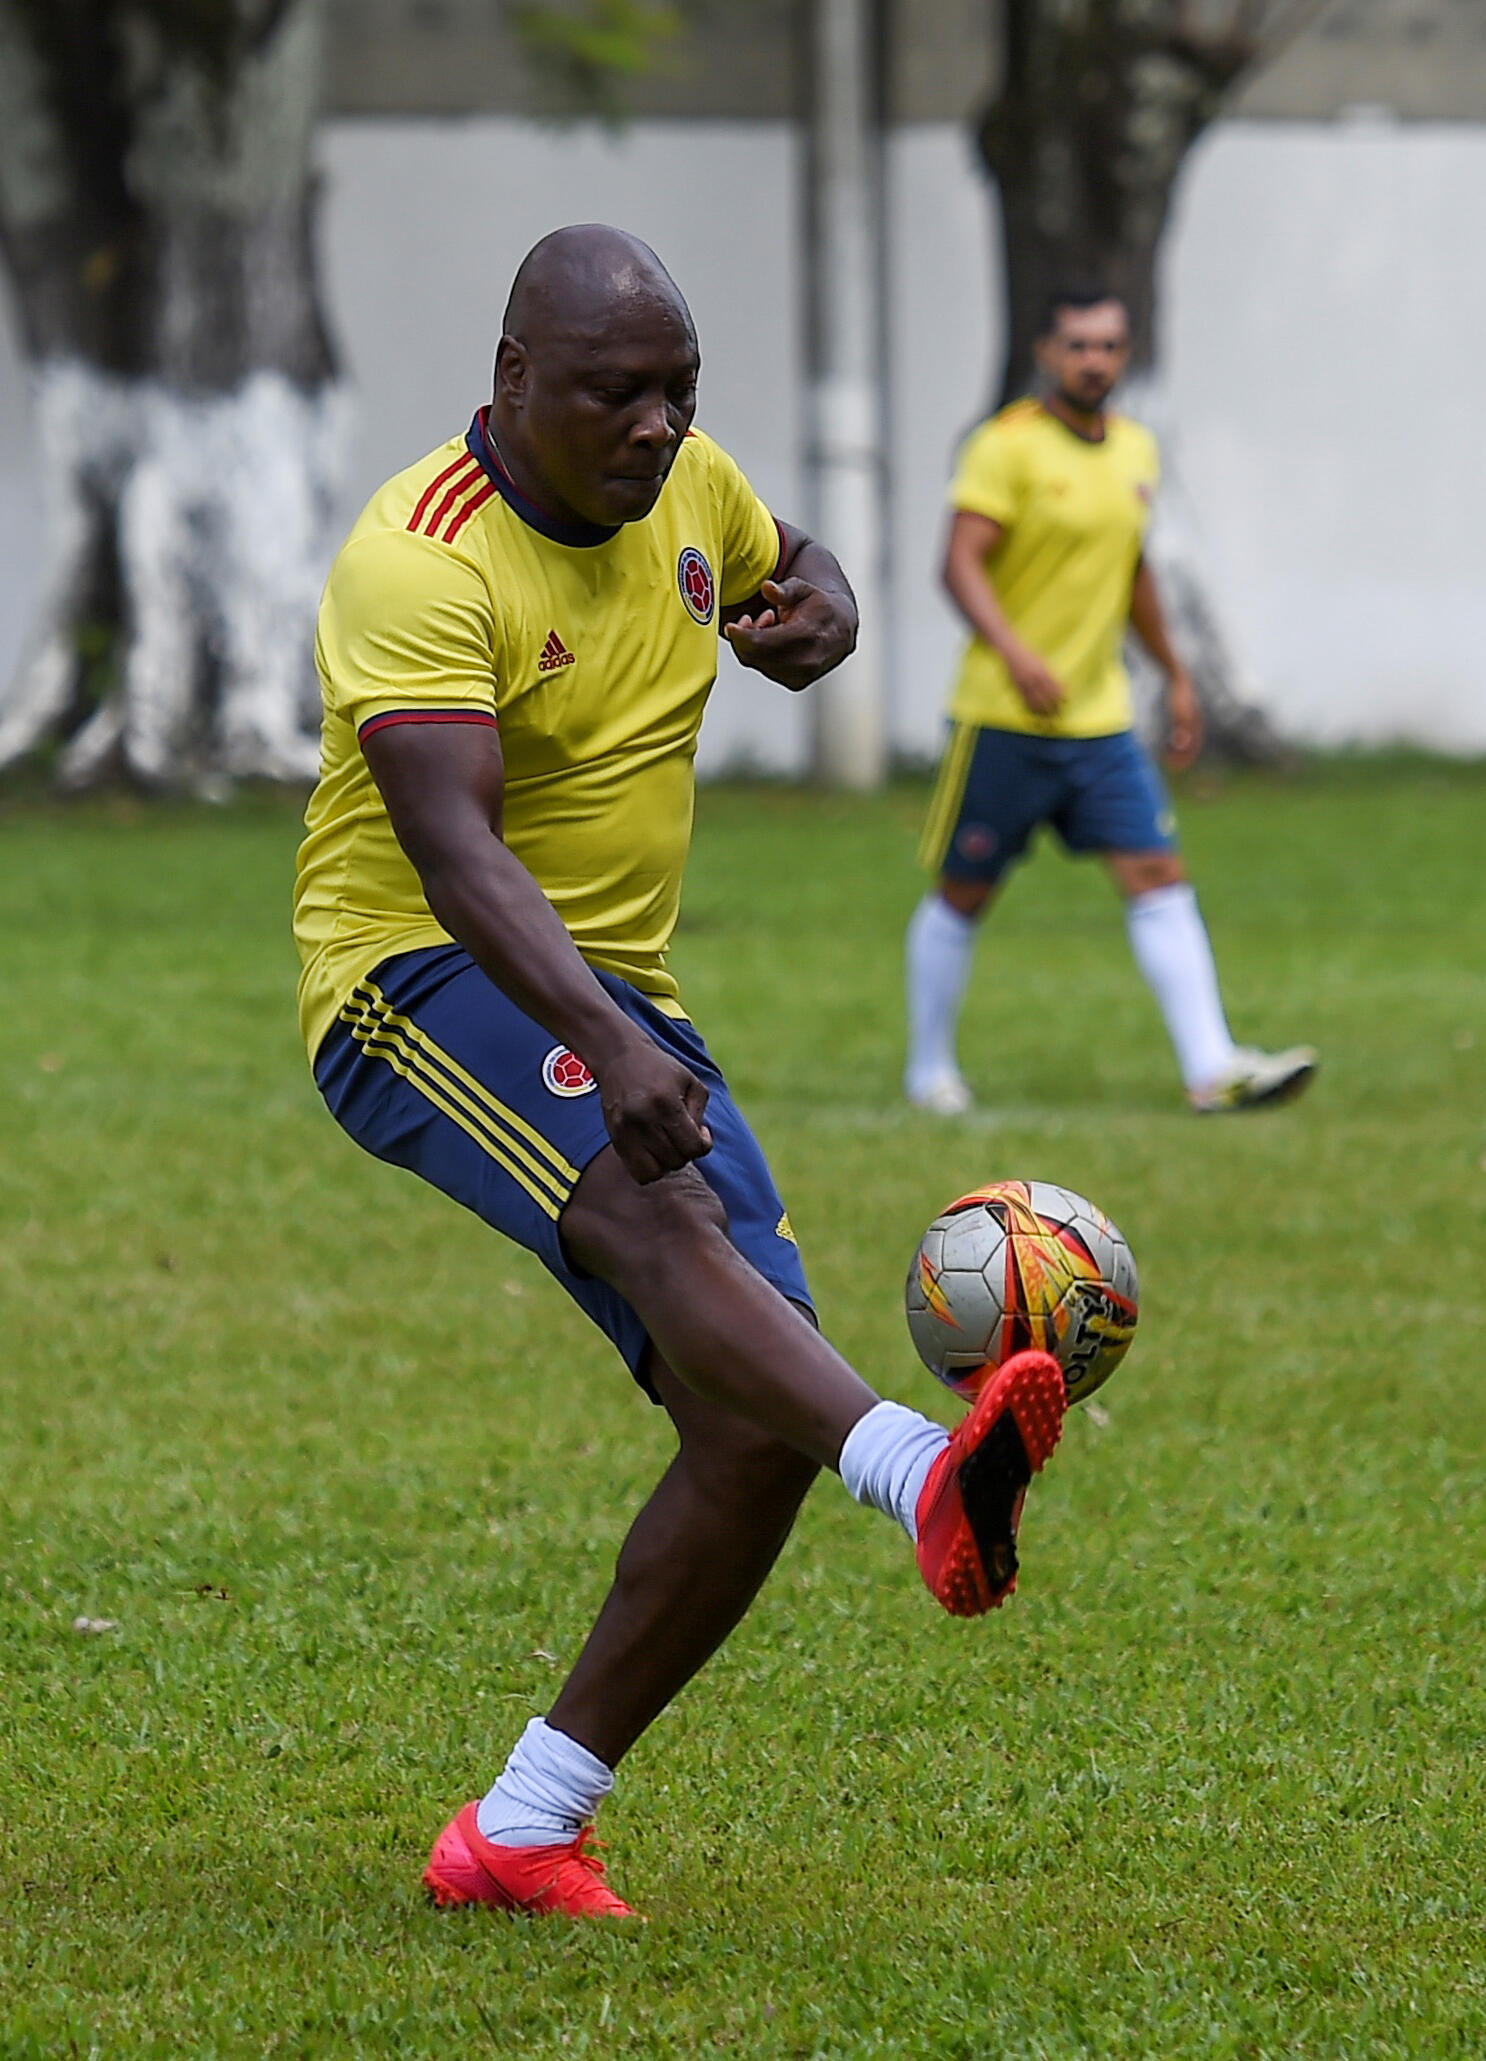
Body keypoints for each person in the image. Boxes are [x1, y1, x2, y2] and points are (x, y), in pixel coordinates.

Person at [293, 225, 1070, 1922]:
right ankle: (922, 1472)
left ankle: (520, 1827)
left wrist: (824, 607)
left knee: (750, 1423)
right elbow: (457, 860)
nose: (655, 428)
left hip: (615, 999)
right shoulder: (419, 559)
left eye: (678, 391)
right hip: (415, 979)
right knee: (664, 1232)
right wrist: (605, 1039)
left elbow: (795, 557)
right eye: (613, 394)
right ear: (513, 381)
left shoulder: (689, 487)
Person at [904, 286, 1316, 1118]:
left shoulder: (1134, 449)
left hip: (1099, 718)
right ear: (1047, 353)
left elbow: (1131, 573)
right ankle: (929, 1070)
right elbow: (959, 563)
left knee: (1158, 872)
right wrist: (1018, 654)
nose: (1095, 361)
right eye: (1079, 345)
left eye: (1109, 346)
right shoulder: (1005, 446)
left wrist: (1177, 673)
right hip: (1004, 716)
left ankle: (1212, 1069)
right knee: (966, 889)